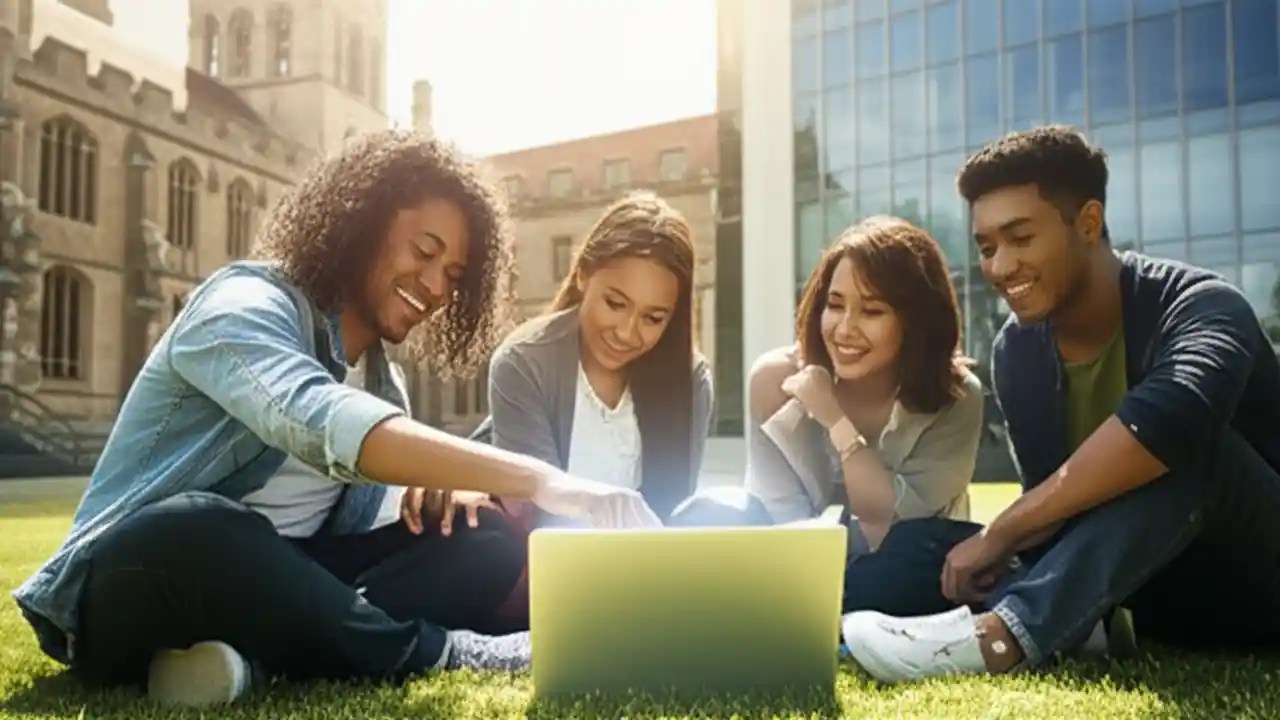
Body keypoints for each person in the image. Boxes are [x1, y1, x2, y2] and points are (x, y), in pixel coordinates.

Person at [11, 130, 660, 708]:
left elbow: (353, 527)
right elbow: (320, 418)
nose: (435, 285)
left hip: (284, 587)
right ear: (363, 222)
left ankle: (253, 665)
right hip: (143, 583)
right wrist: (546, 480)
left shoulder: (385, 381)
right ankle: (440, 652)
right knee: (204, 527)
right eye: (424, 251)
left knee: (480, 540)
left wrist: (429, 497)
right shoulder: (243, 304)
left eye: (453, 274)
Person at [840, 126, 1280, 683]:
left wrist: (1002, 533)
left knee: (1192, 449)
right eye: (987, 247)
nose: (1000, 267)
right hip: (1145, 589)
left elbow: (1172, 424)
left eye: (1020, 239)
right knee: (924, 543)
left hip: (1256, 582)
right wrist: (990, 545)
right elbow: (1054, 502)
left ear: (1089, 223)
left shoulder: (1202, 308)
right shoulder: (1018, 351)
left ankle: (1003, 637)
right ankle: (832, 617)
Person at [676, 216, 983, 585]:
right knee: (715, 513)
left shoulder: (956, 395)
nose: (844, 329)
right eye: (835, 305)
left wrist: (835, 421)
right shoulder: (776, 382)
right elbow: (778, 516)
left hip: (909, 573)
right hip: (793, 567)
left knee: (910, 550)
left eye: (872, 311)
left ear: (916, 322)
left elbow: (892, 523)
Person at [469, 191, 713, 628]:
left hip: (645, 573)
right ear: (583, 274)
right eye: (615, 304)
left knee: (728, 511)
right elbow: (535, 515)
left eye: (654, 318)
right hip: (540, 566)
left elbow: (674, 510)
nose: (627, 332)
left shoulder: (691, 382)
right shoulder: (525, 361)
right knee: (487, 546)